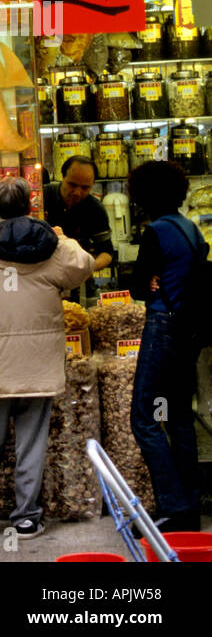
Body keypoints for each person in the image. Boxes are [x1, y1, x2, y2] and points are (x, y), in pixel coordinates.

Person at [0, 177, 94, 540]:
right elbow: (85, 265)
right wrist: (61, 236)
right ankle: (27, 518)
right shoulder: (52, 247)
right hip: (38, 362)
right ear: (32, 205)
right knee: (31, 441)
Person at [126, 160, 208, 533]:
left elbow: (140, 289)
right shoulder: (191, 229)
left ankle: (172, 506)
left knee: (144, 417)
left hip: (162, 328)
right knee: (178, 418)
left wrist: (152, 281)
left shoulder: (155, 232)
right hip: (189, 330)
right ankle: (190, 505)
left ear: (145, 195)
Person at [43, 156, 115, 275]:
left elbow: (107, 252)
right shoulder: (41, 198)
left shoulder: (95, 209)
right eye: (72, 185)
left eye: (85, 188)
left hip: (77, 279)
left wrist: (88, 269)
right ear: (62, 177)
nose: (77, 192)